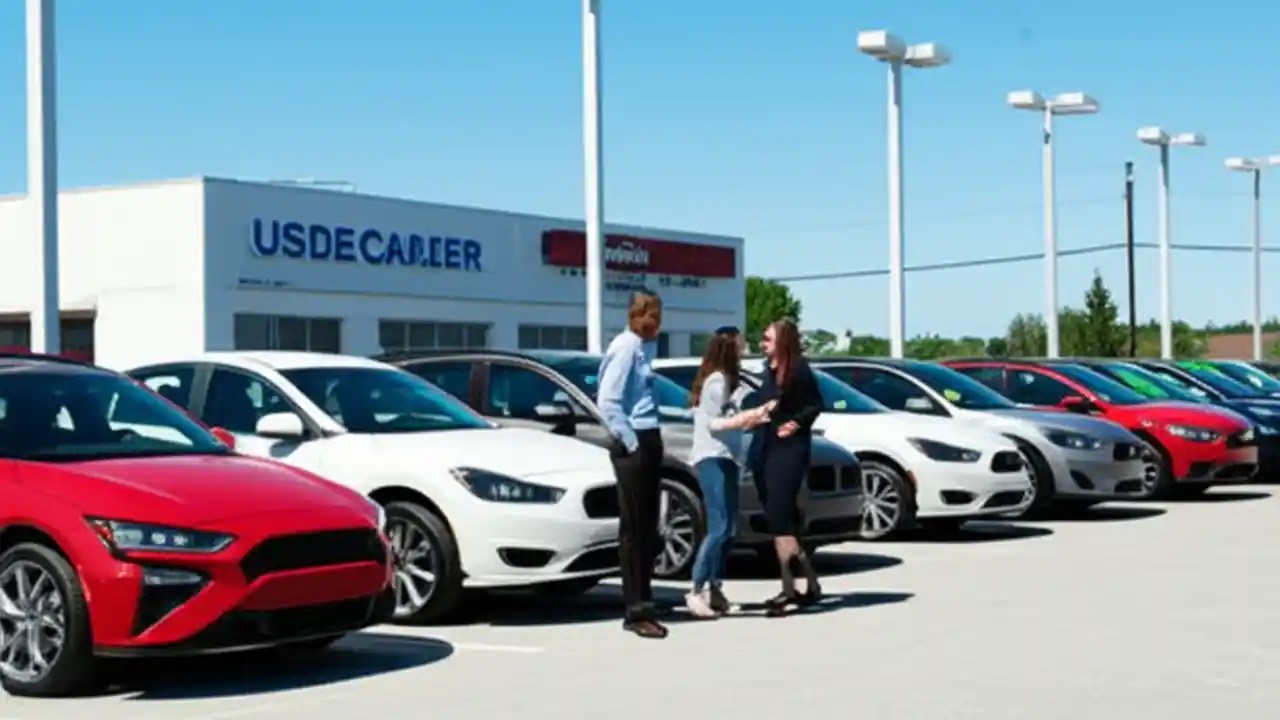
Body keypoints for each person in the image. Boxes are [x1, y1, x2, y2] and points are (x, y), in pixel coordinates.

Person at [684, 330, 772, 618]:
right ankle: (696, 589)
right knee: (719, 526)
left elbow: (731, 421)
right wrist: (744, 418)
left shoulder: (729, 382)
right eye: (740, 343)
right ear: (728, 347)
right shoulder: (716, 381)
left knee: (731, 529)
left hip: (729, 458)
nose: (745, 347)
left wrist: (754, 417)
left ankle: (715, 588)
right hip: (712, 458)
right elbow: (713, 424)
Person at [597, 289, 669, 639]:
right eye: (654, 316)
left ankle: (647, 601)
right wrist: (631, 442)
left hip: (649, 436)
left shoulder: (644, 349)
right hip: (634, 442)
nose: (659, 324)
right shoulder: (625, 347)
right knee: (635, 530)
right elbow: (608, 402)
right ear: (640, 316)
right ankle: (635, 609)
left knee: (648, 529)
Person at [752, 318, 824, 616]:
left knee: (781, 517)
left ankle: (788, 588)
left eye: (767, 339)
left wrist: (797, 423)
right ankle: (811, 584)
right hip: (766, 445)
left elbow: (815, 404)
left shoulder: (798, 370)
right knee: (779, 516)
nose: (762, 343)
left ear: (782, 341)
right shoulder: (767, 371)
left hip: (789, 450)